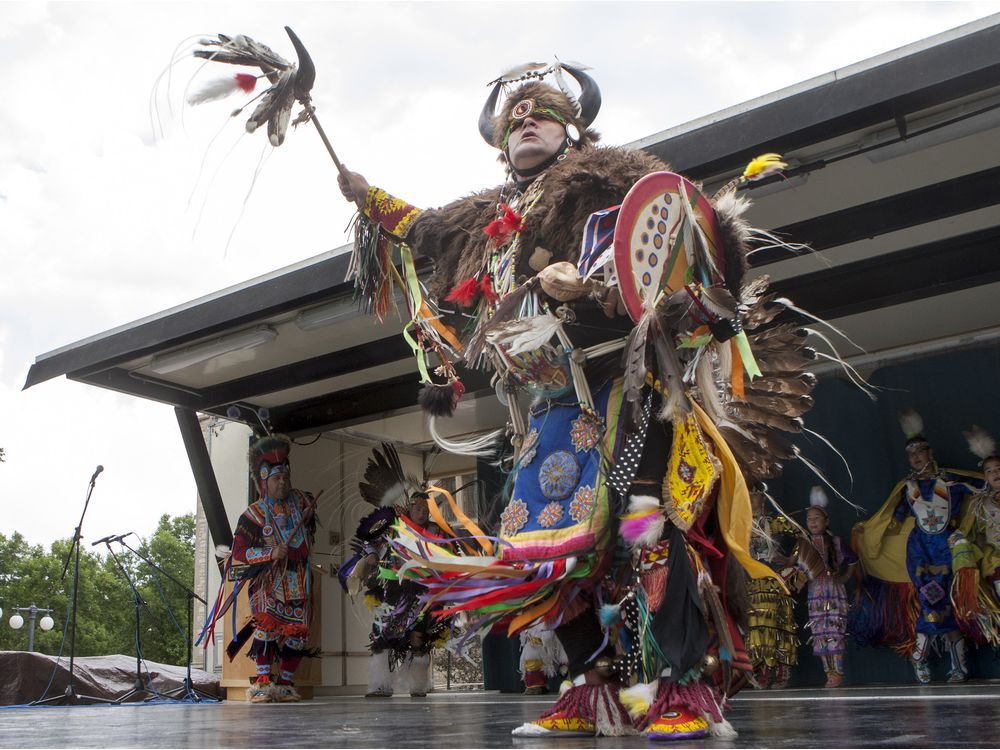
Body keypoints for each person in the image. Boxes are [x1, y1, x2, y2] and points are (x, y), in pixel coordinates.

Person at [338, 62, 817, 738]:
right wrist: (369, 198)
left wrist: (592, 290)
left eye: (542, 115)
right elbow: (428, 229)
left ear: (574, 129)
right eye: (514, 122)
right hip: (551, 408)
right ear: (500, 145)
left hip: (631, 389)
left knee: (648, 529)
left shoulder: (611, 180)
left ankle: (683, 688)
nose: (525, 123)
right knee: (541, 556)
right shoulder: (488, 219)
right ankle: (595, 691)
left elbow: (689, 249)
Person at [854, 410, 981, 684]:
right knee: (928, 600)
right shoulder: (908, 487)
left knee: (949, 603)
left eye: (919, 452)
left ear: (929, 452)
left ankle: (945, 662)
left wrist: (987, 460)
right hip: (920, 550)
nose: (915, 458)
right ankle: (924, 658)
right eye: (911, 455)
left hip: (947, 547)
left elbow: (983, 488)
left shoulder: (952, 481)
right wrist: (872, 534)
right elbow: (895, 517)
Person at [231, 434, 317, 703]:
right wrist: (270, 553)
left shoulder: (300, 503)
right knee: (267, 628)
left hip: (299, 580)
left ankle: (285, 684)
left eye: (285, 478)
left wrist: (308, 514)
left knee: (297, 634)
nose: (283, 483)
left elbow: (309, 521)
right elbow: (239, 552)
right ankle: (262, 684)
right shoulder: (253, 515)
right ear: (264, 482)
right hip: (270, 582)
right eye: (276, 478)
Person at [798, 487, 856, 688]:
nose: (812, 522)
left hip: (833, 593)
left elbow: (853, 560)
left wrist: (845, 576)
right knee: (820, 634)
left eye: (817, 518)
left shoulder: (837, 542)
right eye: (809, 519)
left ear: (826, 521)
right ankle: (828, 673)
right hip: (815, 594)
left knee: (834, 631)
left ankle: (838, 673)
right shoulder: (804, 544)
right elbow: (799, 569)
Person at [746, 489, 801, 690]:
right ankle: (762, 671)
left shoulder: (774, 522)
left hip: (773, 582)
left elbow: (801, 534)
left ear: (763, 497)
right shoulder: (740, 523)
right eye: (748, 494)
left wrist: (791, 559)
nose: (751, 498)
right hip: (751, 582)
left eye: (755, 494)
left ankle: (780, 672)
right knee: (756, 626)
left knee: (778, 624)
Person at [954, 426, 1000, 644]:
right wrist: (959, 542)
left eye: (998, 468)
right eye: (990, 471)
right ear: (985, 476)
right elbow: (967, 532)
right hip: (996, 563)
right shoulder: (980, 504)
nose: (995, 473)